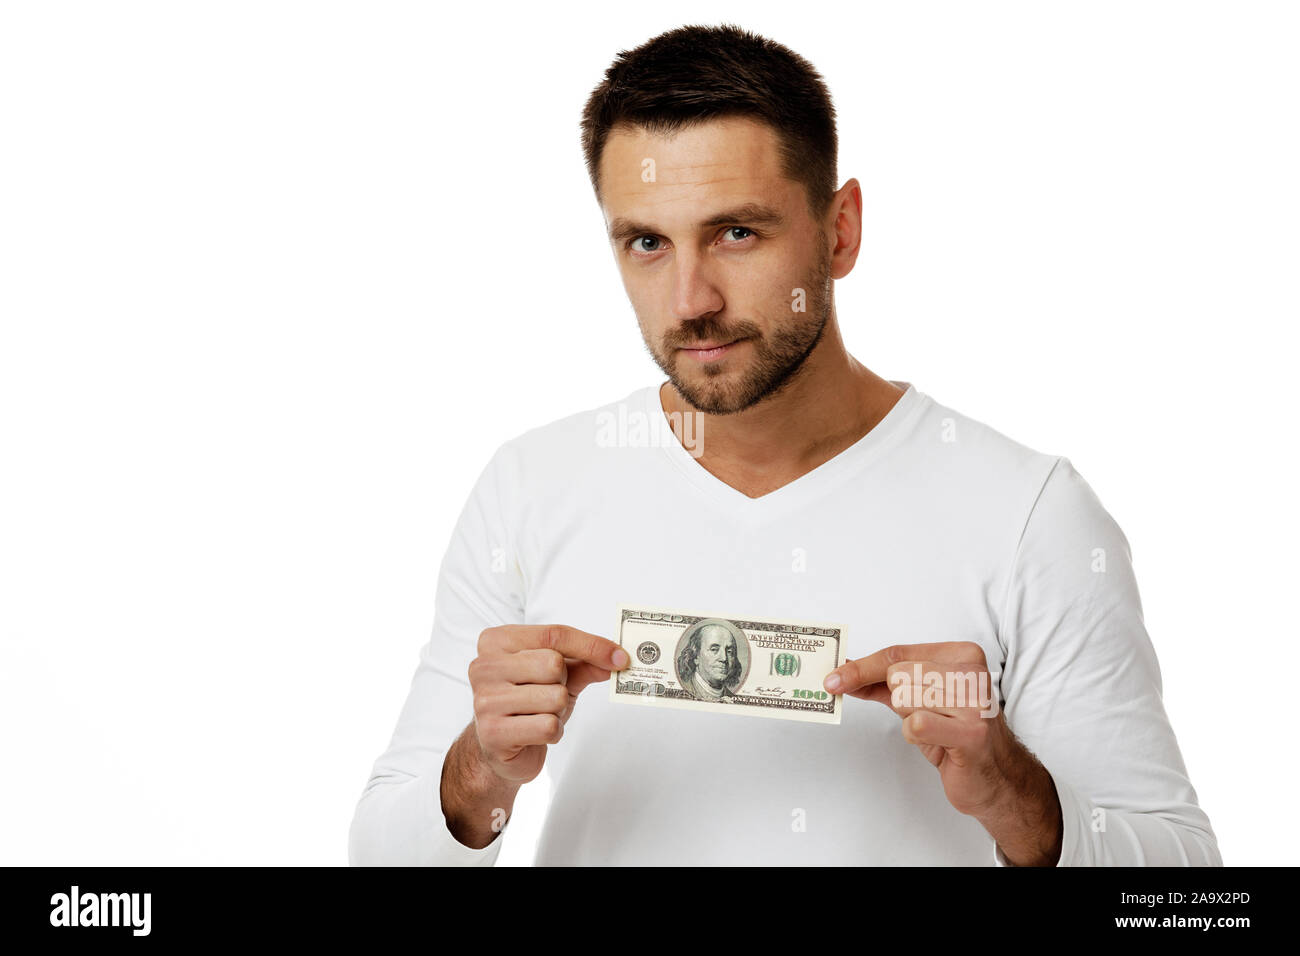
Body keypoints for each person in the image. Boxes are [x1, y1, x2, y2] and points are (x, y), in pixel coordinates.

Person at [348, 23, 1220, 866]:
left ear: (839, 230)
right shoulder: (530, 489)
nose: (690, 298)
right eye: (647, 242)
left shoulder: (1028, 515)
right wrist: (479, 774)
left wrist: (1010, 793)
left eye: (737, 233)